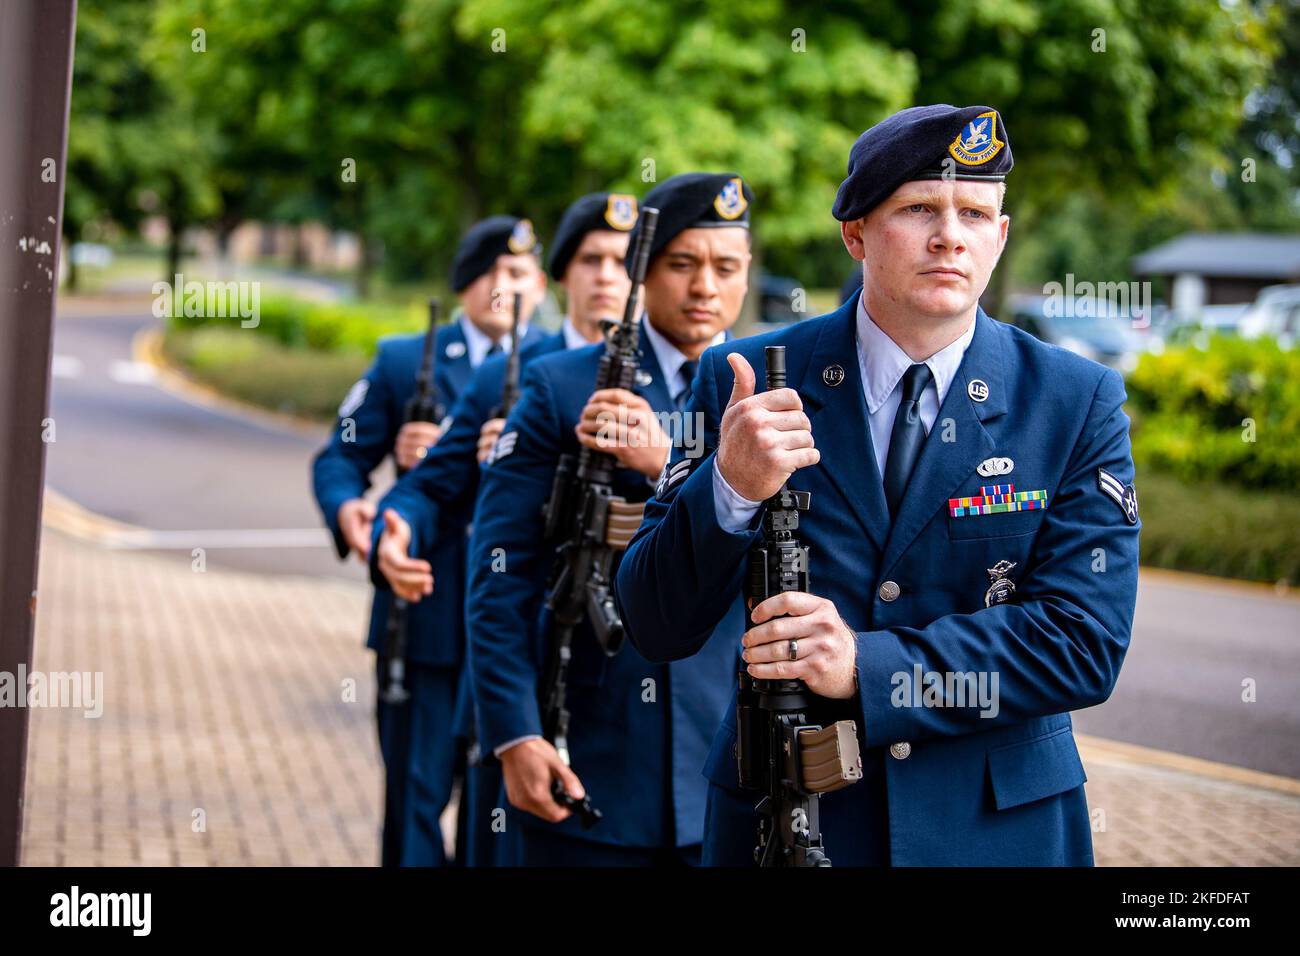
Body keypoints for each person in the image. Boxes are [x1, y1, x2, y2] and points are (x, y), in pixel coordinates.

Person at [615, 105, 1141, 866]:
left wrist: (869, 668)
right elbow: (655, 620)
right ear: (855, 233)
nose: (949, 235)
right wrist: (729, 486)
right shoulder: (744, 380)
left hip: (995, 831)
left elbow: (1083, 643)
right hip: (788, 818)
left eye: (975, 213)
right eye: (920, 208)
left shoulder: (1075, 399)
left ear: (999, 237)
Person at [460, 173, 754, 866]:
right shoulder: (563, 386)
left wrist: (668, 462)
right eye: (682, 265)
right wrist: (514, 735)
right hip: (590, 753)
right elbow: (500, 575)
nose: (705, 287)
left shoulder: (777, 389)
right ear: (641, 273)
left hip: (731, 758)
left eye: (727, 267)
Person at [370, 192, 639, 865]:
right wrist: (394, 526)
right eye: (591, 259)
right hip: (517, 667)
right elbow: (429, 484)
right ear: (562, 275)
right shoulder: (509, 374)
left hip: (618, 682)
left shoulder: (671, 382)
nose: (608, 275)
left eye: (623, 261)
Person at [311, 214, 547, 866]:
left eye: (523, 273)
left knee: (498, 819)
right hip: (427, 619)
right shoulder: (402, 360)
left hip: (517, 631)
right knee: (415, 801)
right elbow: (340, 458)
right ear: (466, 283)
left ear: (545, 283)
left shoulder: (562, 366)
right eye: (495, 272)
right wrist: (352, 510)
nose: (509, 286)